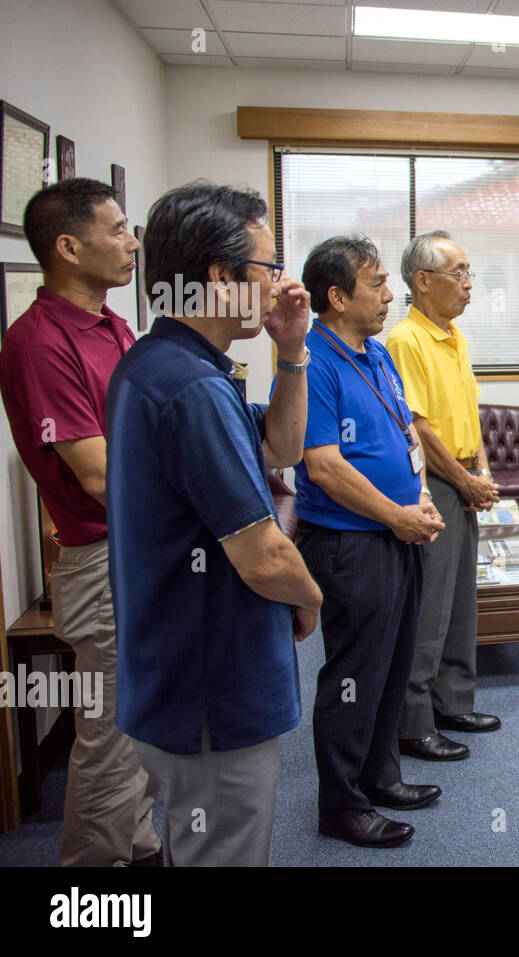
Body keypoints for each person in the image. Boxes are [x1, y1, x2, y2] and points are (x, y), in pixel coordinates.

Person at [105, 182, 323, 866]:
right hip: (210, 688)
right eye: (266, 268)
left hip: (172, 672)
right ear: (219, 277)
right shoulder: (191, 388)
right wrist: (313, 595)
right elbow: (262, 556)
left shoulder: (159, 361)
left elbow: (282, 448)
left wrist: (292, 351)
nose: (277, 285)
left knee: (194, 848)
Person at [0, 178, 161, 866]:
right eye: (120, 229)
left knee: (148, 726)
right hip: (103, 560)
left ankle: (141, 845)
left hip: (146, 548)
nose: (133, 243)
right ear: (69, 247)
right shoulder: (37, 342)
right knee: (110, 739)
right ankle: (93, 885)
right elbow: (99, 475)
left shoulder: (113, 323)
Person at [294, 236, 445, 848]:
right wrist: (395, 515)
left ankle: (381, 775)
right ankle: (342, 805)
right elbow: (324, 465)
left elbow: (406, 430)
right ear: (336, 296)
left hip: (398, 531)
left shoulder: (375, 353)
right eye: (377, 283)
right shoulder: (313, 360)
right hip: (350, 541)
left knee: (391, 664)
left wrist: (423, 496)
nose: (391, 293)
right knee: (353, 674)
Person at [388, 231, 500, 762]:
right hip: (434, 486)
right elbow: (417, 425)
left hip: (461, 479)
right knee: (429, 609)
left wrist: (480, 467)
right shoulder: (405, 341)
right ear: (422, 281)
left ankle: (452, 702)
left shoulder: (453, 336)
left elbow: (466, 414)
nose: (468, 284)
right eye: (458, 273)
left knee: (460, 604)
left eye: (469, 272)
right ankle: (414, 723)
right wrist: (463, 480)